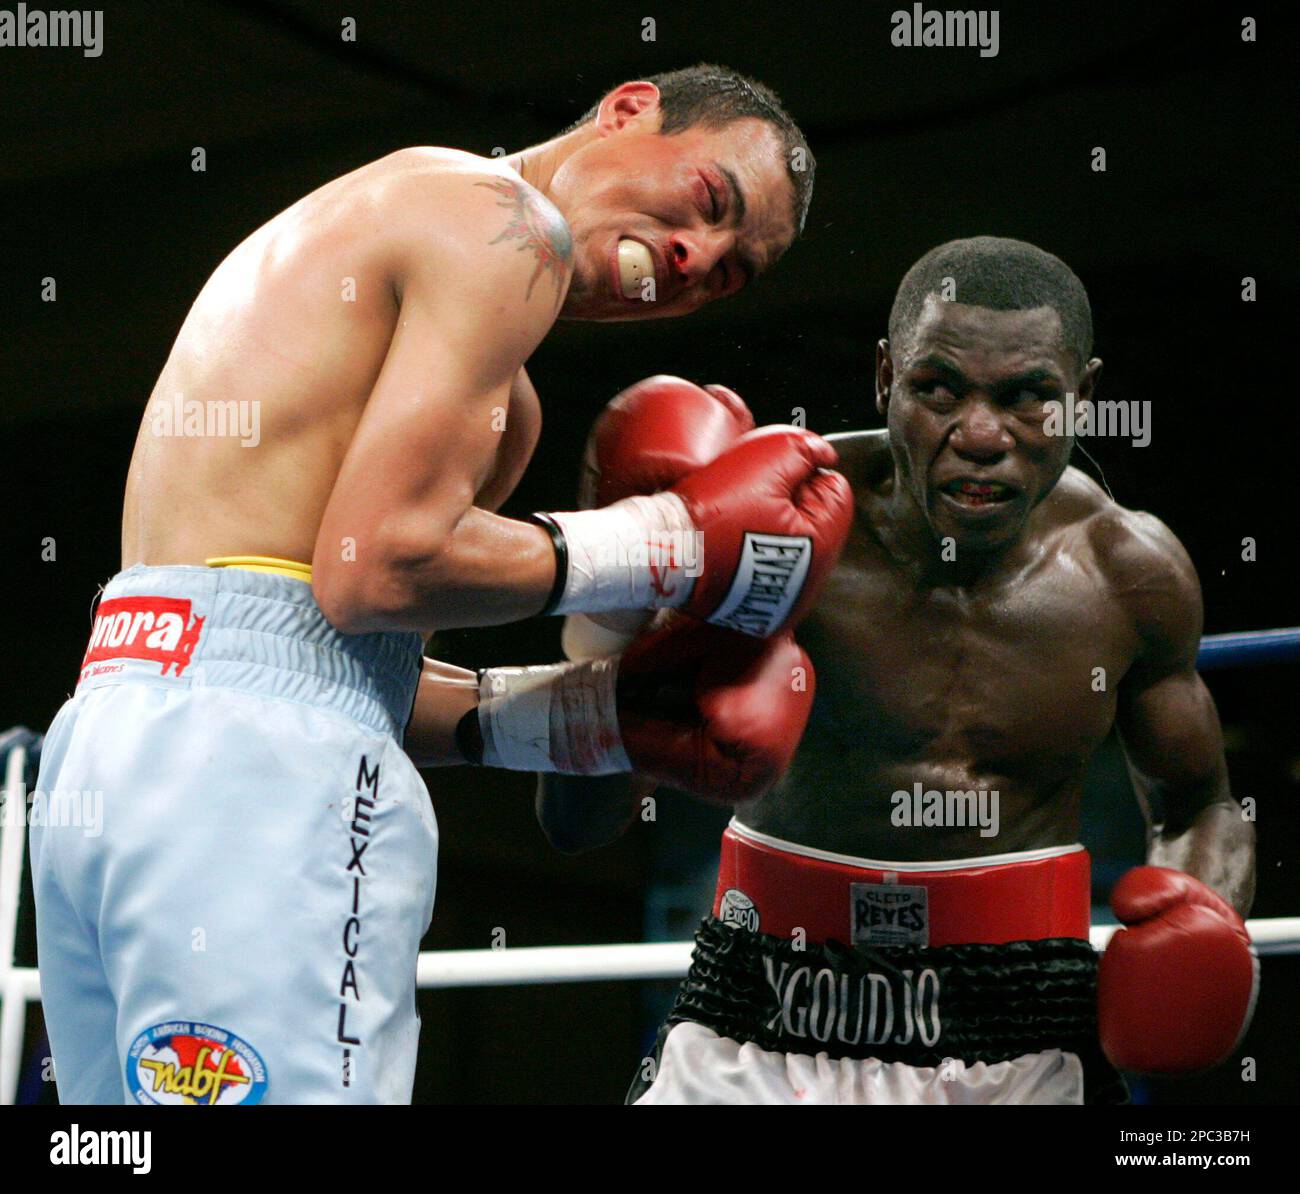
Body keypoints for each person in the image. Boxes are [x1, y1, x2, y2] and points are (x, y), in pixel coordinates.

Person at [31, 65, 853, 1105]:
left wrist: (583, 720)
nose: (698, 259)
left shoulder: (466, 342)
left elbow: (308, 646)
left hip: (120, 741)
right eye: (710, 201)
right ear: (629, 108)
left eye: (730, 276)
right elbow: (373, 570)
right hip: (254, 783)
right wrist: (669, 543)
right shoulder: (504, 224)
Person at [538, 236, 1258, 1105]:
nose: (982, 436)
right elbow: (575, 823)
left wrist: (1206, 910)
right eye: (939, 389)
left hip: (1018, 1036)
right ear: (886, 380)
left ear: (1085, 399)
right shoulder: (776, 540)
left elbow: (1201, 803)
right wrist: (611, 616)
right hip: (760, 1016)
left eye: (1030, 398)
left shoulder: (1131, 575)